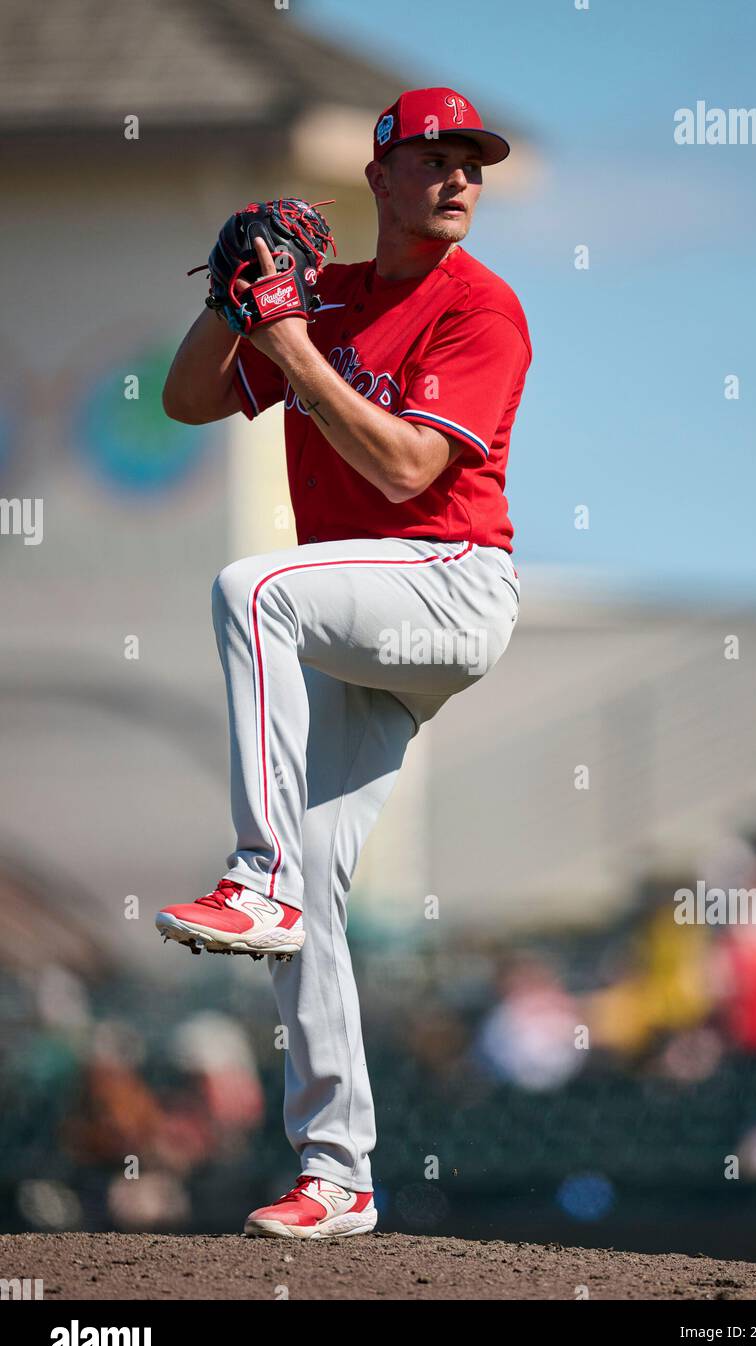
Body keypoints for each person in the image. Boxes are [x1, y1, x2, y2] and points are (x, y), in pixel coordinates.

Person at [154, 88, 532, 1239]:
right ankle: (340, 1173)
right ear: (378, 178)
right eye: (432, 158)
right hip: (359, 615)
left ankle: (251, 873)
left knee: (249, 585)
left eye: (470, 160)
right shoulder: (342, 301)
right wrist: (233, 303)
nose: (457, 176)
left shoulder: (481, 307)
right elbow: (183, 400)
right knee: (317, 886)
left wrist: (287, 343)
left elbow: (408, 472)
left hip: (448, 585)